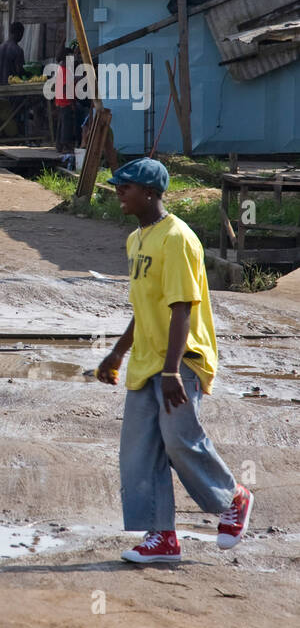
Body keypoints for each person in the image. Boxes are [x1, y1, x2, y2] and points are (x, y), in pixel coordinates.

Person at [96, 157, 252, 564]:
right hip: (147, 361)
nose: (118, 193)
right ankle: (162, 537)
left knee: (180, 440)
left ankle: (234, 496)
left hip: (180, 360)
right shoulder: (137, 239)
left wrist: (171, 371)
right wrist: (117, 351)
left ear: (149, 192)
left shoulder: (178, 238)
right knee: (139, 451)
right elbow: (146, 307)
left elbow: (181, 309)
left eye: (125, 187)